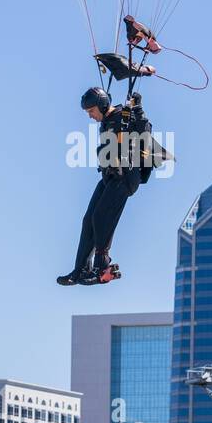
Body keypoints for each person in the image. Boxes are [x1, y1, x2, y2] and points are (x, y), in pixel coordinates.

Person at [57, 86, 153, 286]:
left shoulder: (124, 115)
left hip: (125, 177)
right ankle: (80, 271)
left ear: (101, 105)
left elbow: (145, 131)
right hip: (109, 177)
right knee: (88, 220)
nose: (90, 116)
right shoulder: (109, 120)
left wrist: (138, 109)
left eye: (91, 111)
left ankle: (102, 266)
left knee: (101, 217)